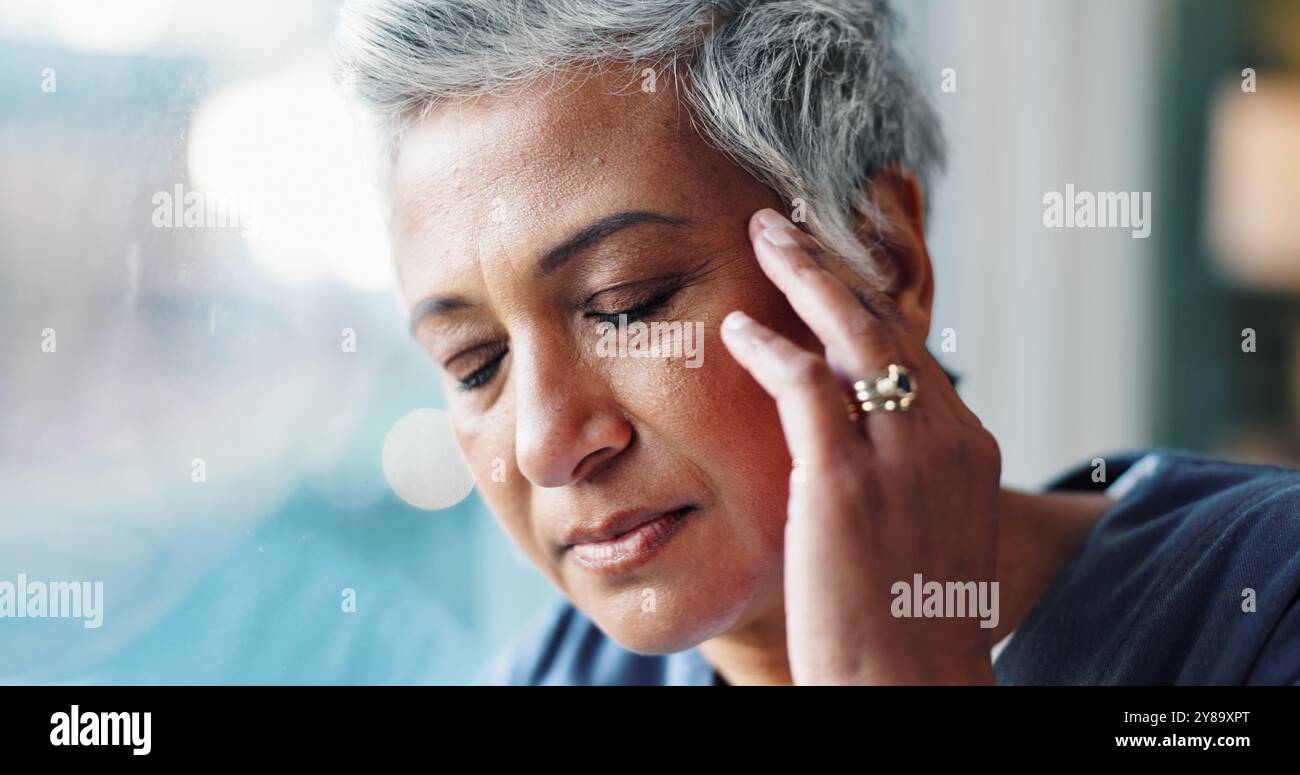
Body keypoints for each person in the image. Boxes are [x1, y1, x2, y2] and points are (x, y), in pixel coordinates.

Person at [334, 0, 1300, 684]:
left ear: (882, 258)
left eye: (627, 302)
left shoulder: (1262, 610)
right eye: (476, 364)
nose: (547, 443)